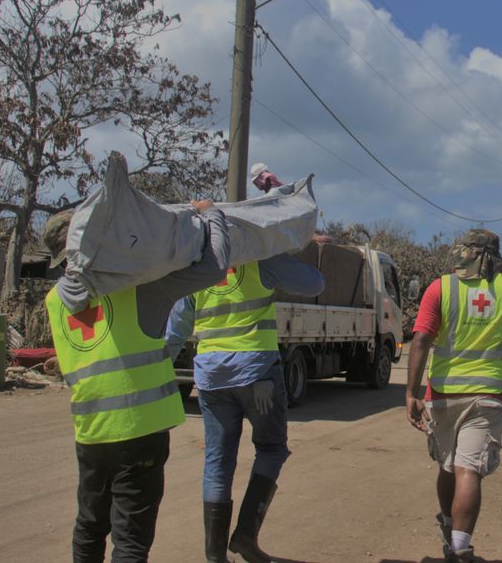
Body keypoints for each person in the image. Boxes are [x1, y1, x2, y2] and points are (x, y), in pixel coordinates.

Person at [43, 199, 230, 563]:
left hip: (91, 431)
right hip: (139, 433)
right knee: (130, 540)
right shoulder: (138, 287)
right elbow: (215, 267)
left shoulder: (53, 301)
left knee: (90, 524)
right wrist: (212, 216)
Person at [164, 253, 324, 563]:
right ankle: (245, 537)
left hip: (211, 377)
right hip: (257, 374)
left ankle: (215, 557)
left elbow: (175, 332)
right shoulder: (259, 261)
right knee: (272, 448)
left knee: (217, 462)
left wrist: (155, 378)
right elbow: (314, 283)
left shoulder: (196, 267)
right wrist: (278, 251)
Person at [404, 229, 502, 563]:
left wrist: (411, 393)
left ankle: (450, 533)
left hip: (443, 395)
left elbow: (420, 340)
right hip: (489, 396)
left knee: (448, 467)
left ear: (464, 254)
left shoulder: (440, 287)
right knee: (468, 469)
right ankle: (460, 547)